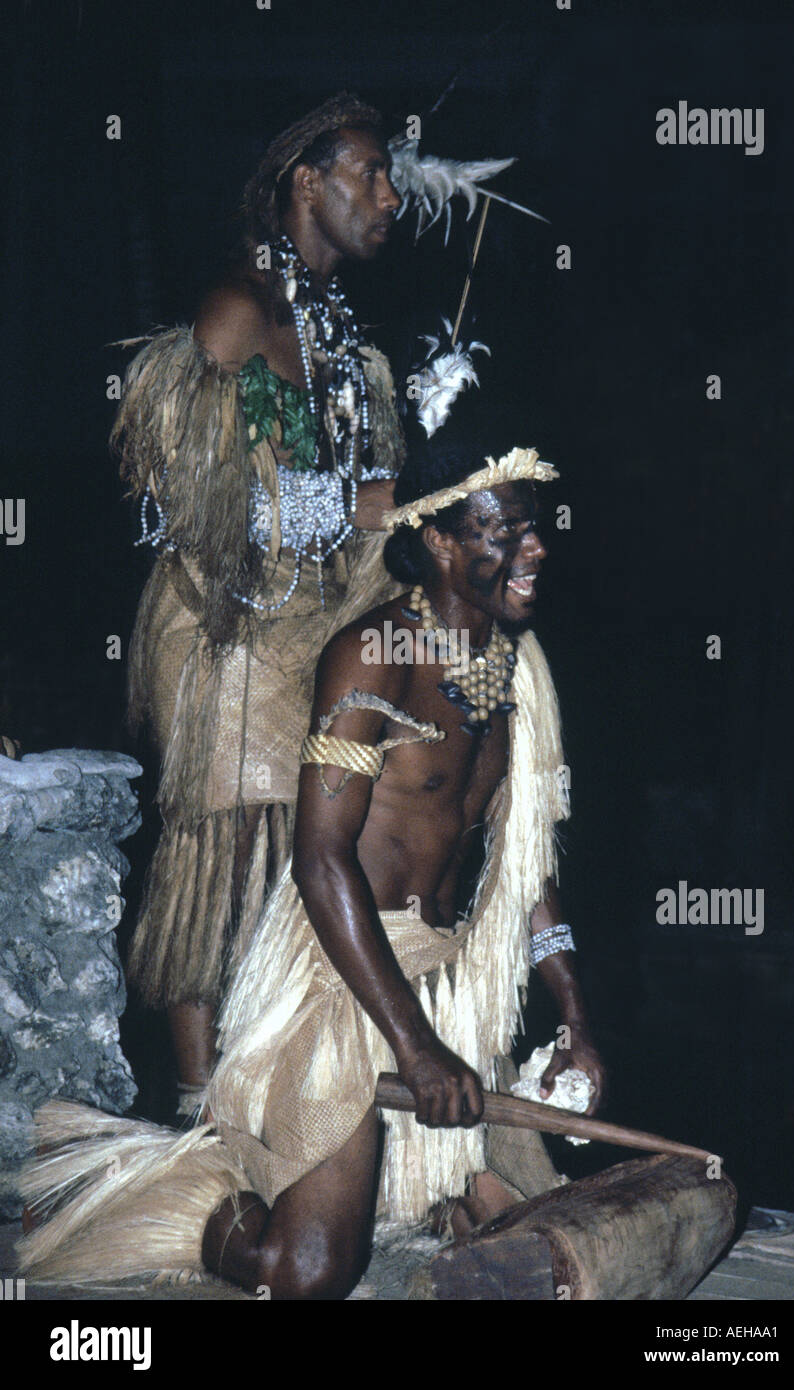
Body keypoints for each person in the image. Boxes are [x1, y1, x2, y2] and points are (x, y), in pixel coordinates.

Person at [17, 405, 605, 1298]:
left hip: (453, 988)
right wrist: (411, 1048)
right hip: (340, 977)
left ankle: (423, 1178)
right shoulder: (373, 656)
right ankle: (174, 1190)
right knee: (311, 1271)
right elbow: (319, 861)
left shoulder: (516, 668)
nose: (534, 549)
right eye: (505, 530)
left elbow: (525, 867)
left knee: (521, 1228)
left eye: (534, 528)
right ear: (441, 543)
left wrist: (573, 1023)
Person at [112, 94, 405, 1110]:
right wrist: (349, 505)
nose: (389, 195)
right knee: (221, 857)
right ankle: (199, 1110)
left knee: (311, 854)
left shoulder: (337, 332)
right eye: (367, 172)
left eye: (390, 174)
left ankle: (288, 1093)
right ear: (304, 184)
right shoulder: (239, 310)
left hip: (310, 628)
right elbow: (177, 505)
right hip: (224, 631)